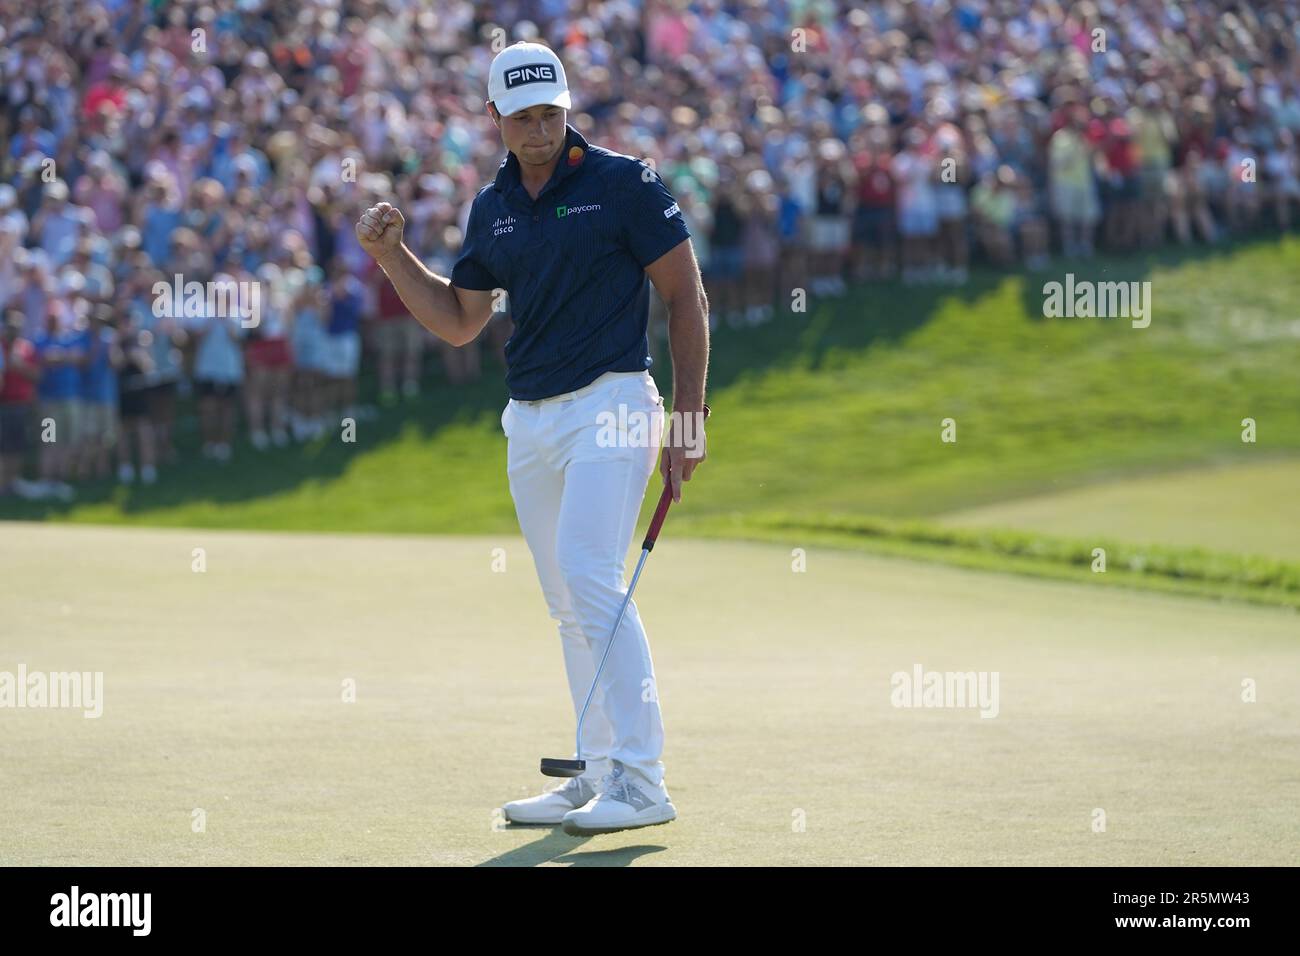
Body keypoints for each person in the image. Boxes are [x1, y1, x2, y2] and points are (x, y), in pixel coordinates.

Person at [356, 41, 709, 836]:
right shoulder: (494, 207)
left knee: (591, 578)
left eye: (551, 113)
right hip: (532, 418)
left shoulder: (625, 183)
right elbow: (458, 320)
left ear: (568, 106)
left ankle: (642, 778)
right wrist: (390, 256)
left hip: (614, 402)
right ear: (495, 120)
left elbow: (685, 297)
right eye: (523, 119)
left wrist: (689, 420)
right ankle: (593, 771)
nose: (541, 131)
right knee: (566, 603)